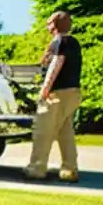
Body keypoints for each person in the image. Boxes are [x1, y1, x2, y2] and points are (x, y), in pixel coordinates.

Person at [24, 11, 82, 182]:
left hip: (56, 94)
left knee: (43, 131)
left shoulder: (59, 42)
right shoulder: (74, 43)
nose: (47, 26)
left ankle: (37, 168)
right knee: (65, 133)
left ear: (56, 25)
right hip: (73, 93)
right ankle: (69, 169)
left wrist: (44, 89)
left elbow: (56, 65)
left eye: (49, 23)